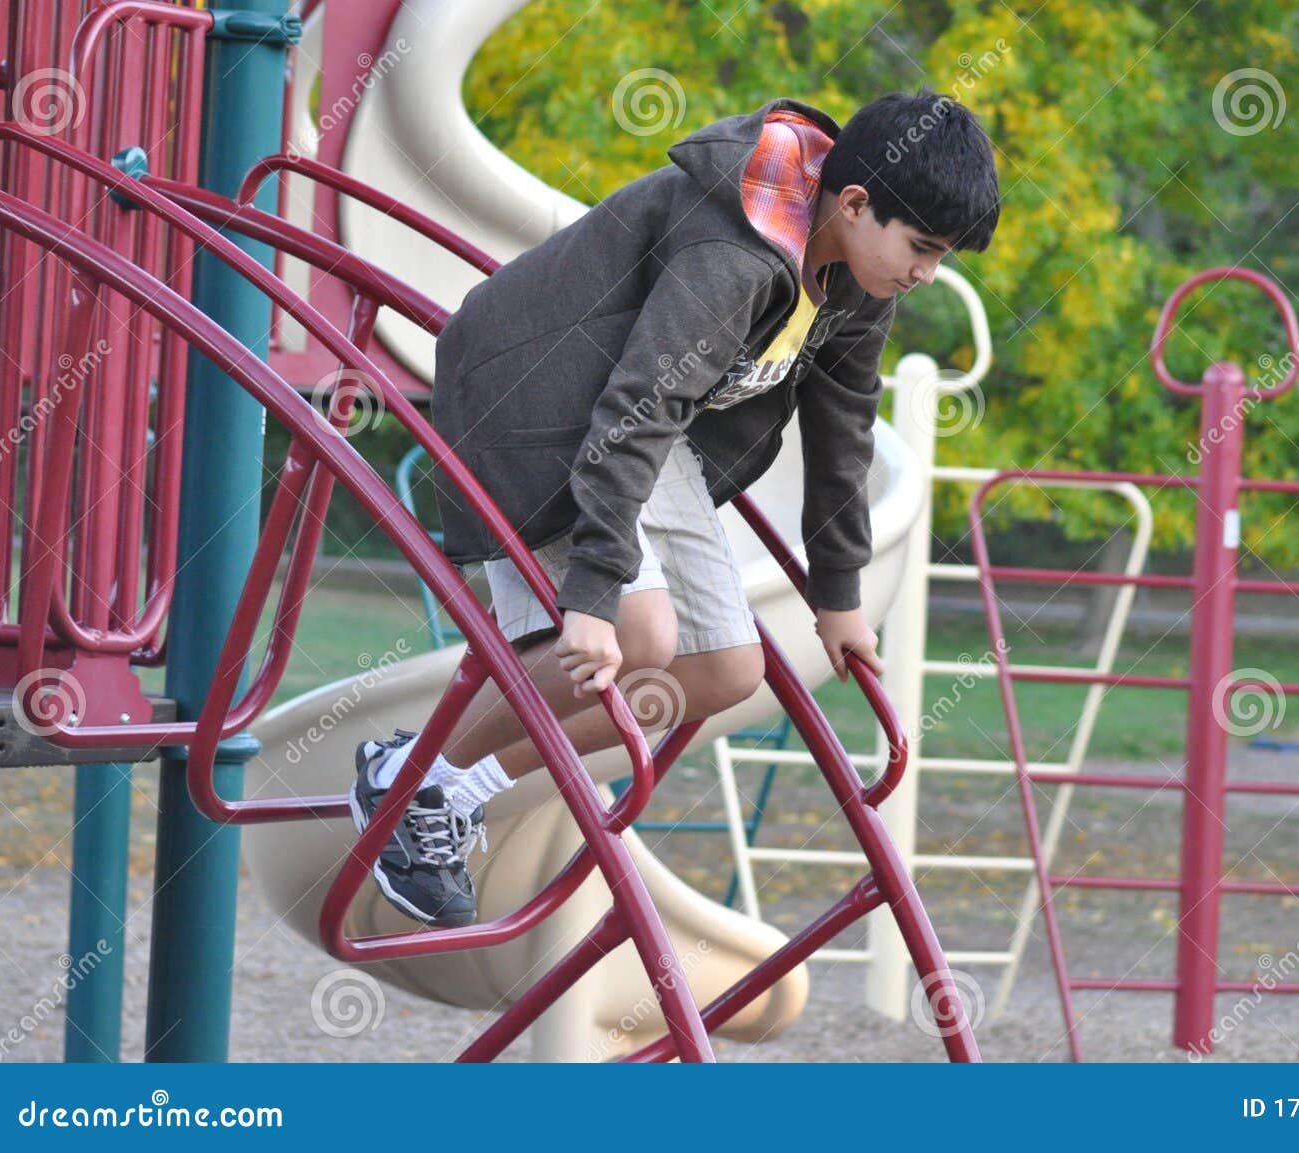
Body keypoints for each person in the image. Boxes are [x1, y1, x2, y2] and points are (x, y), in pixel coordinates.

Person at [349, 89, 1001, 927]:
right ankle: (405, 778)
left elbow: (843, 424)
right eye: (921, 248)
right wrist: (590, 596)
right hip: (534, 402)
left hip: (638, 422)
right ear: (853, 204)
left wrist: (837, 595)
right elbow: (637, 405)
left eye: (941, 257)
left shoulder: (861, 283)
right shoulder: (732, 247)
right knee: (639, 636)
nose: (926, 273)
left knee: (725, 670)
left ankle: (445, 786)